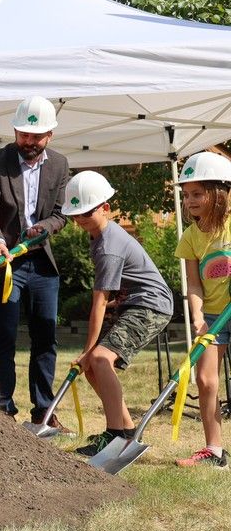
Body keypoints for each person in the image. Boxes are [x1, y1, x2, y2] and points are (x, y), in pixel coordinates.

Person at [62, 171, 173, 457]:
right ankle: (126, 431)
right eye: (75, 215)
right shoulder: (99, 235)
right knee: (94, 366)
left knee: (98, 358)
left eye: (86, 212)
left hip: (151, 305)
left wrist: (88, 350)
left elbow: (99, 303)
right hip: (132, 302)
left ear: (105, 208)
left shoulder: (108, 246)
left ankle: (114, 435)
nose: (80, 220)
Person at [0, 95, 70, 426]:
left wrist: (45, 227)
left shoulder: (59, 165)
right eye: (23, 134)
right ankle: (3, 410)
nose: (29, 141)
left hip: (41, 263)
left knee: (46, 337)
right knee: (5, 336)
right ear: (15, 131)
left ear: (49, 136)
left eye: (36, 136)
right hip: (6, 261)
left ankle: (44, 411)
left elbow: (61, 213)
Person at [172, 151, 231, 468]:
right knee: (205, 380)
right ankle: (214, 450)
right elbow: (194, 285)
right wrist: (197, 317)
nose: (189, 200)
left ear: (219, 192)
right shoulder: (191, 237)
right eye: (186, 195)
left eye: (197, 193)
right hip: (212, 317)